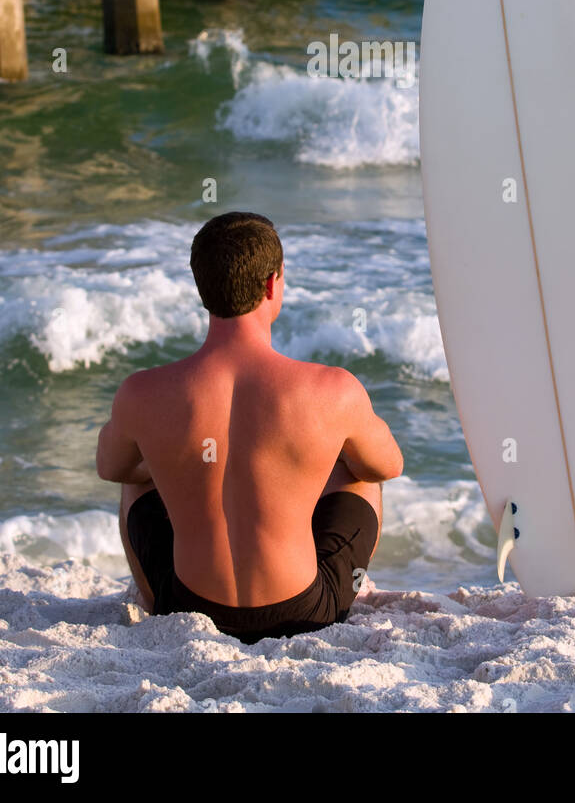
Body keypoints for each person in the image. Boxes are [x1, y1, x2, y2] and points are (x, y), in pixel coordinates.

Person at [96, 211, 403, 644]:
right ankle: (346, 586)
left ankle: (151, 600)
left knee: (136, 483)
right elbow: (387, 465)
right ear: (272, 284)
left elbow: (112, 467)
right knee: (360, 475)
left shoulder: (140, 392)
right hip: (306, 612)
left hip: (185, 606)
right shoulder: (334, 389)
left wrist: (172, 462)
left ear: (202, 287)